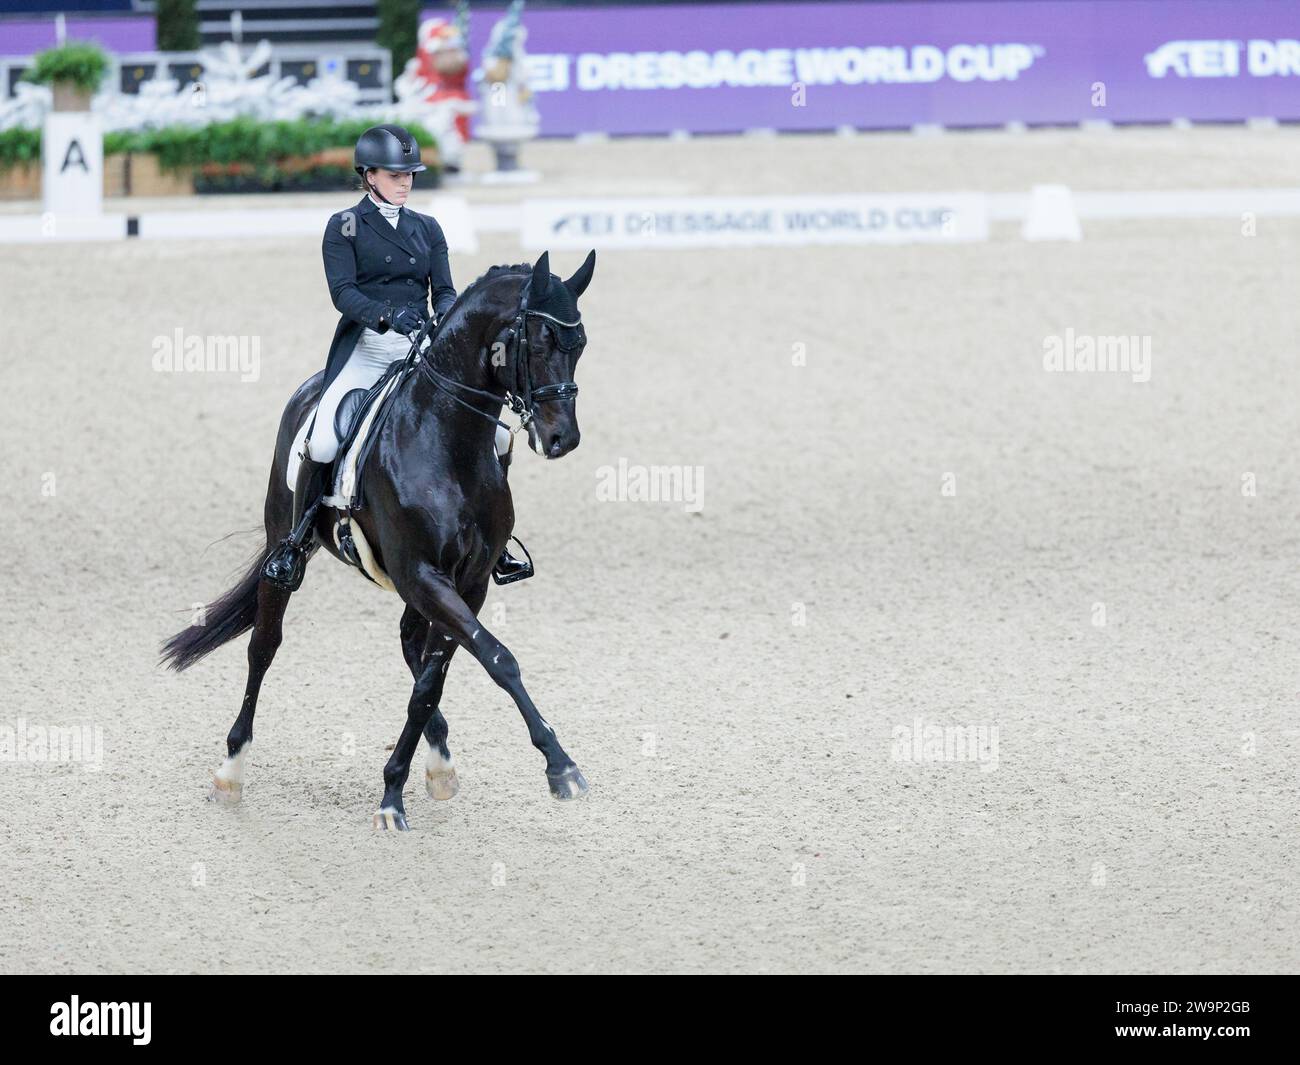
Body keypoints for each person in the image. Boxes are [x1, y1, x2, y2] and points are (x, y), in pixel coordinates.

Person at [261, 123, 530, 590]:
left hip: (422, 347)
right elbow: (343, 293)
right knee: (323, 440)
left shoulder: (427, 228)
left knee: (499, 439)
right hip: (367, 346)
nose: (405, 182)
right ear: (369, 176)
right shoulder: (344, 226)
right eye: (395, 174)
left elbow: (444, 293)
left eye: (410, 174)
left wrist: (449, 325)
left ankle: (495, 541)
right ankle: (296, 540)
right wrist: (387, 316)